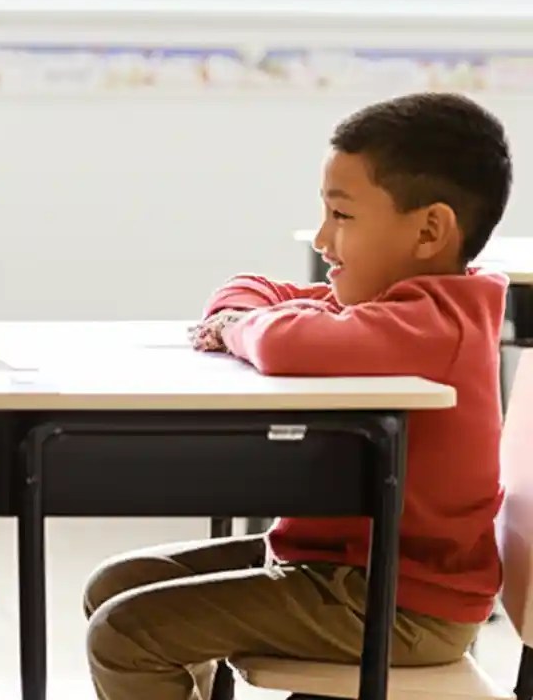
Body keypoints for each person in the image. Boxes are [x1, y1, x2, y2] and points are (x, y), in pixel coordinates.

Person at [85, 91, 512, 700]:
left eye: (342, 216)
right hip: (343, 570)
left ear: (428, 230)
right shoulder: (379, 309)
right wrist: (241, 316)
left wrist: (235, 328)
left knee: (123, 632)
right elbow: (251, 287)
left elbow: (287, 342)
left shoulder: (433, 324)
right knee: (117, 585)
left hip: (404, 603)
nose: (320, 238)